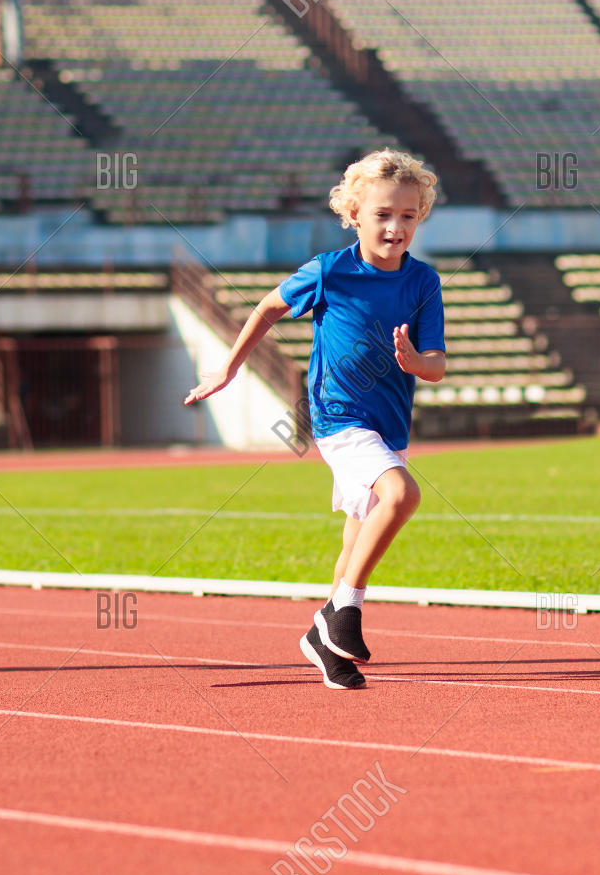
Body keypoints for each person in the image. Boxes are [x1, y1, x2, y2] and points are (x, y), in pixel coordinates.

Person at [184, 149, 446, 689]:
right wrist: (227, 370)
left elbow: (437, 365)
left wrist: (416, 363)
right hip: (337, 416)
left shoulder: (423, 283)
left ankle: (326, 646)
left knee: (355, 541)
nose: (395, 227)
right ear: (353, 214)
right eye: (382, 215)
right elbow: (266, 309)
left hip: (389, 424)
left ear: (420, 215)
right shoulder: (329, 271)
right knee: (402, 496)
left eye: (407, 215)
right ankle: (341, 612)